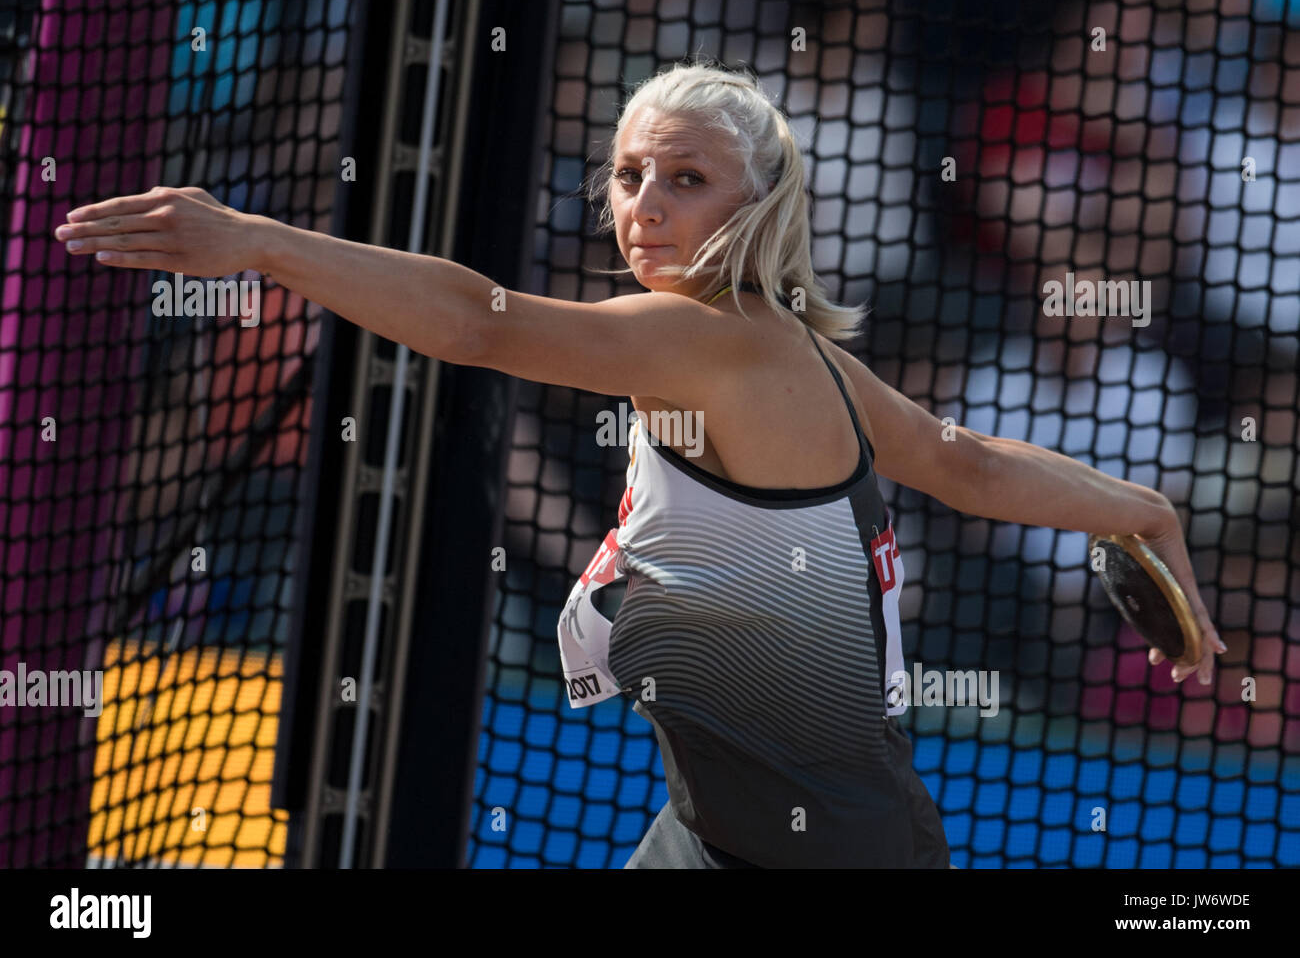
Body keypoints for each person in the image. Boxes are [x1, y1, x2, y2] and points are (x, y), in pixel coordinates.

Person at [53, 60, 1226, 868]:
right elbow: (957, 460)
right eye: (627, 175)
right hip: (733, 826)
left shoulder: (705, 343)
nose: (644, 207)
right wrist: (1134, 502)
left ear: (761, 204)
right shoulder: (798, 350)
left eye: (686, 179)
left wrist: (254, 240)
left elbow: (483, 324)